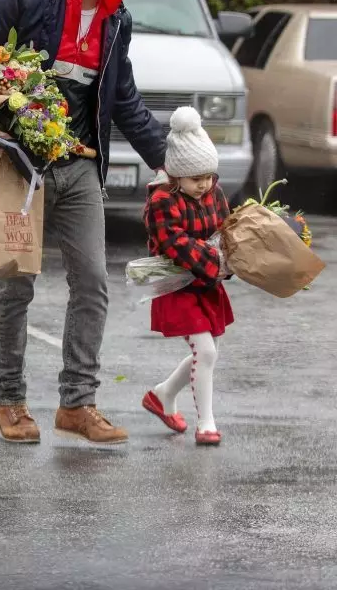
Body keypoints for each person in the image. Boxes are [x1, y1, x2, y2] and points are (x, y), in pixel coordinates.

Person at [0, 0, 166, 444]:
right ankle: (11, 402)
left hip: (80, 170)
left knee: (93, 283)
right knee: (15, 285)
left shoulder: (117, 21)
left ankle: (77, 404)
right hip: (22, 170)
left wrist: (170, 161)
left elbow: (124, 99)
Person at [142, 106, 234, 446]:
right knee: (206, 352)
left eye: (209, 177)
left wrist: (236, 257)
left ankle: (162, 394)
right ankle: (206, 423)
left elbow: (226, 229)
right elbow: (174, 243)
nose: (204, 185)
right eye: (197, 179)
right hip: (178, 284)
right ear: (178, 175)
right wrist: (216, 261)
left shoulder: (214, 193)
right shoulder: (162, 200)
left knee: (207, 351)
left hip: (206, 283)